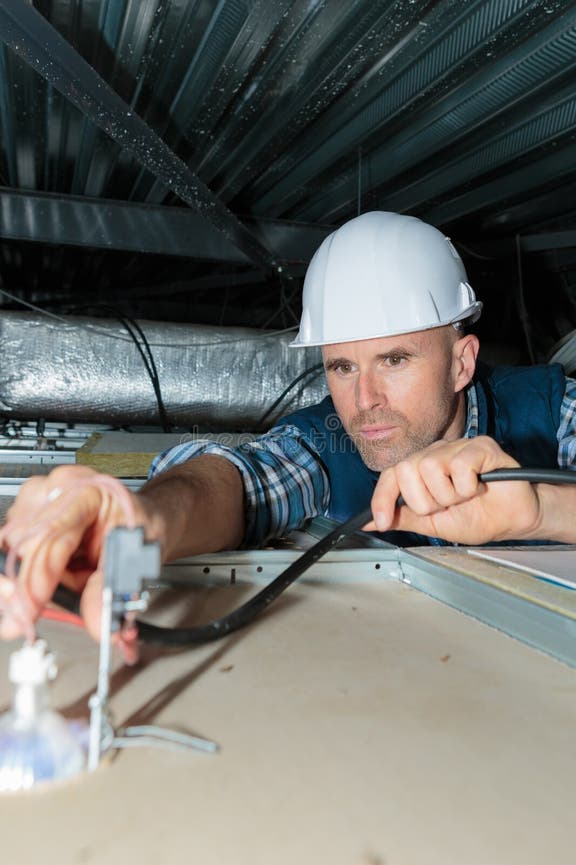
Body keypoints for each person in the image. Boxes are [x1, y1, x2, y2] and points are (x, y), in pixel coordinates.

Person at [1, 210, 575, 642]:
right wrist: (144, 517)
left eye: (394, 360)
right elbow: (240, 483)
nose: (364, 402)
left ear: (461, 362)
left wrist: (543, 511)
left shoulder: (552, 410)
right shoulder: (324, 443)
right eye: (341, 367)